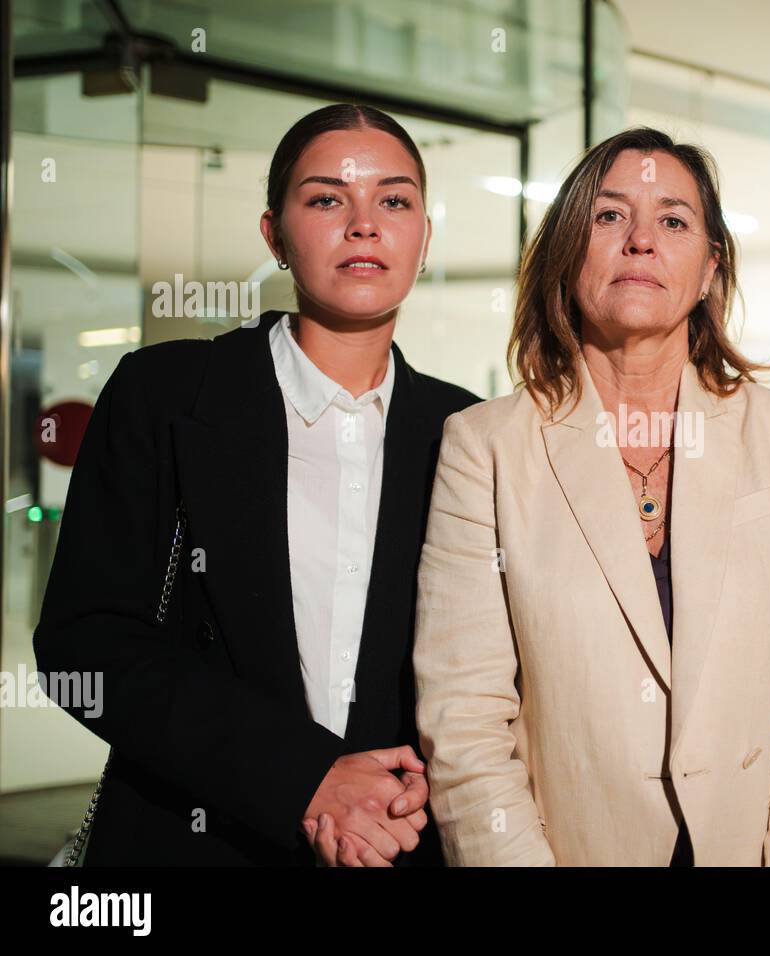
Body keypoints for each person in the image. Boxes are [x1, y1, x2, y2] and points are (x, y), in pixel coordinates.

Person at [34, 103, 478, 866]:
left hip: (400, 843)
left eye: (394, 200)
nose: (364, 224)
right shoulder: (168, 393)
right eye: (327, 198)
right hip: (194, 841)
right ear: (274, 234)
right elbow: (83, 653)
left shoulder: (467, 431)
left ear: (424, 237)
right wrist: (303, 779)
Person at [413, 127, 770, 866]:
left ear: (710, 268)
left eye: (674, 220)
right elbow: (465, 722)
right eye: (608, 216)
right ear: (567, 255)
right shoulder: (483, 447)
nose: (640, 242)